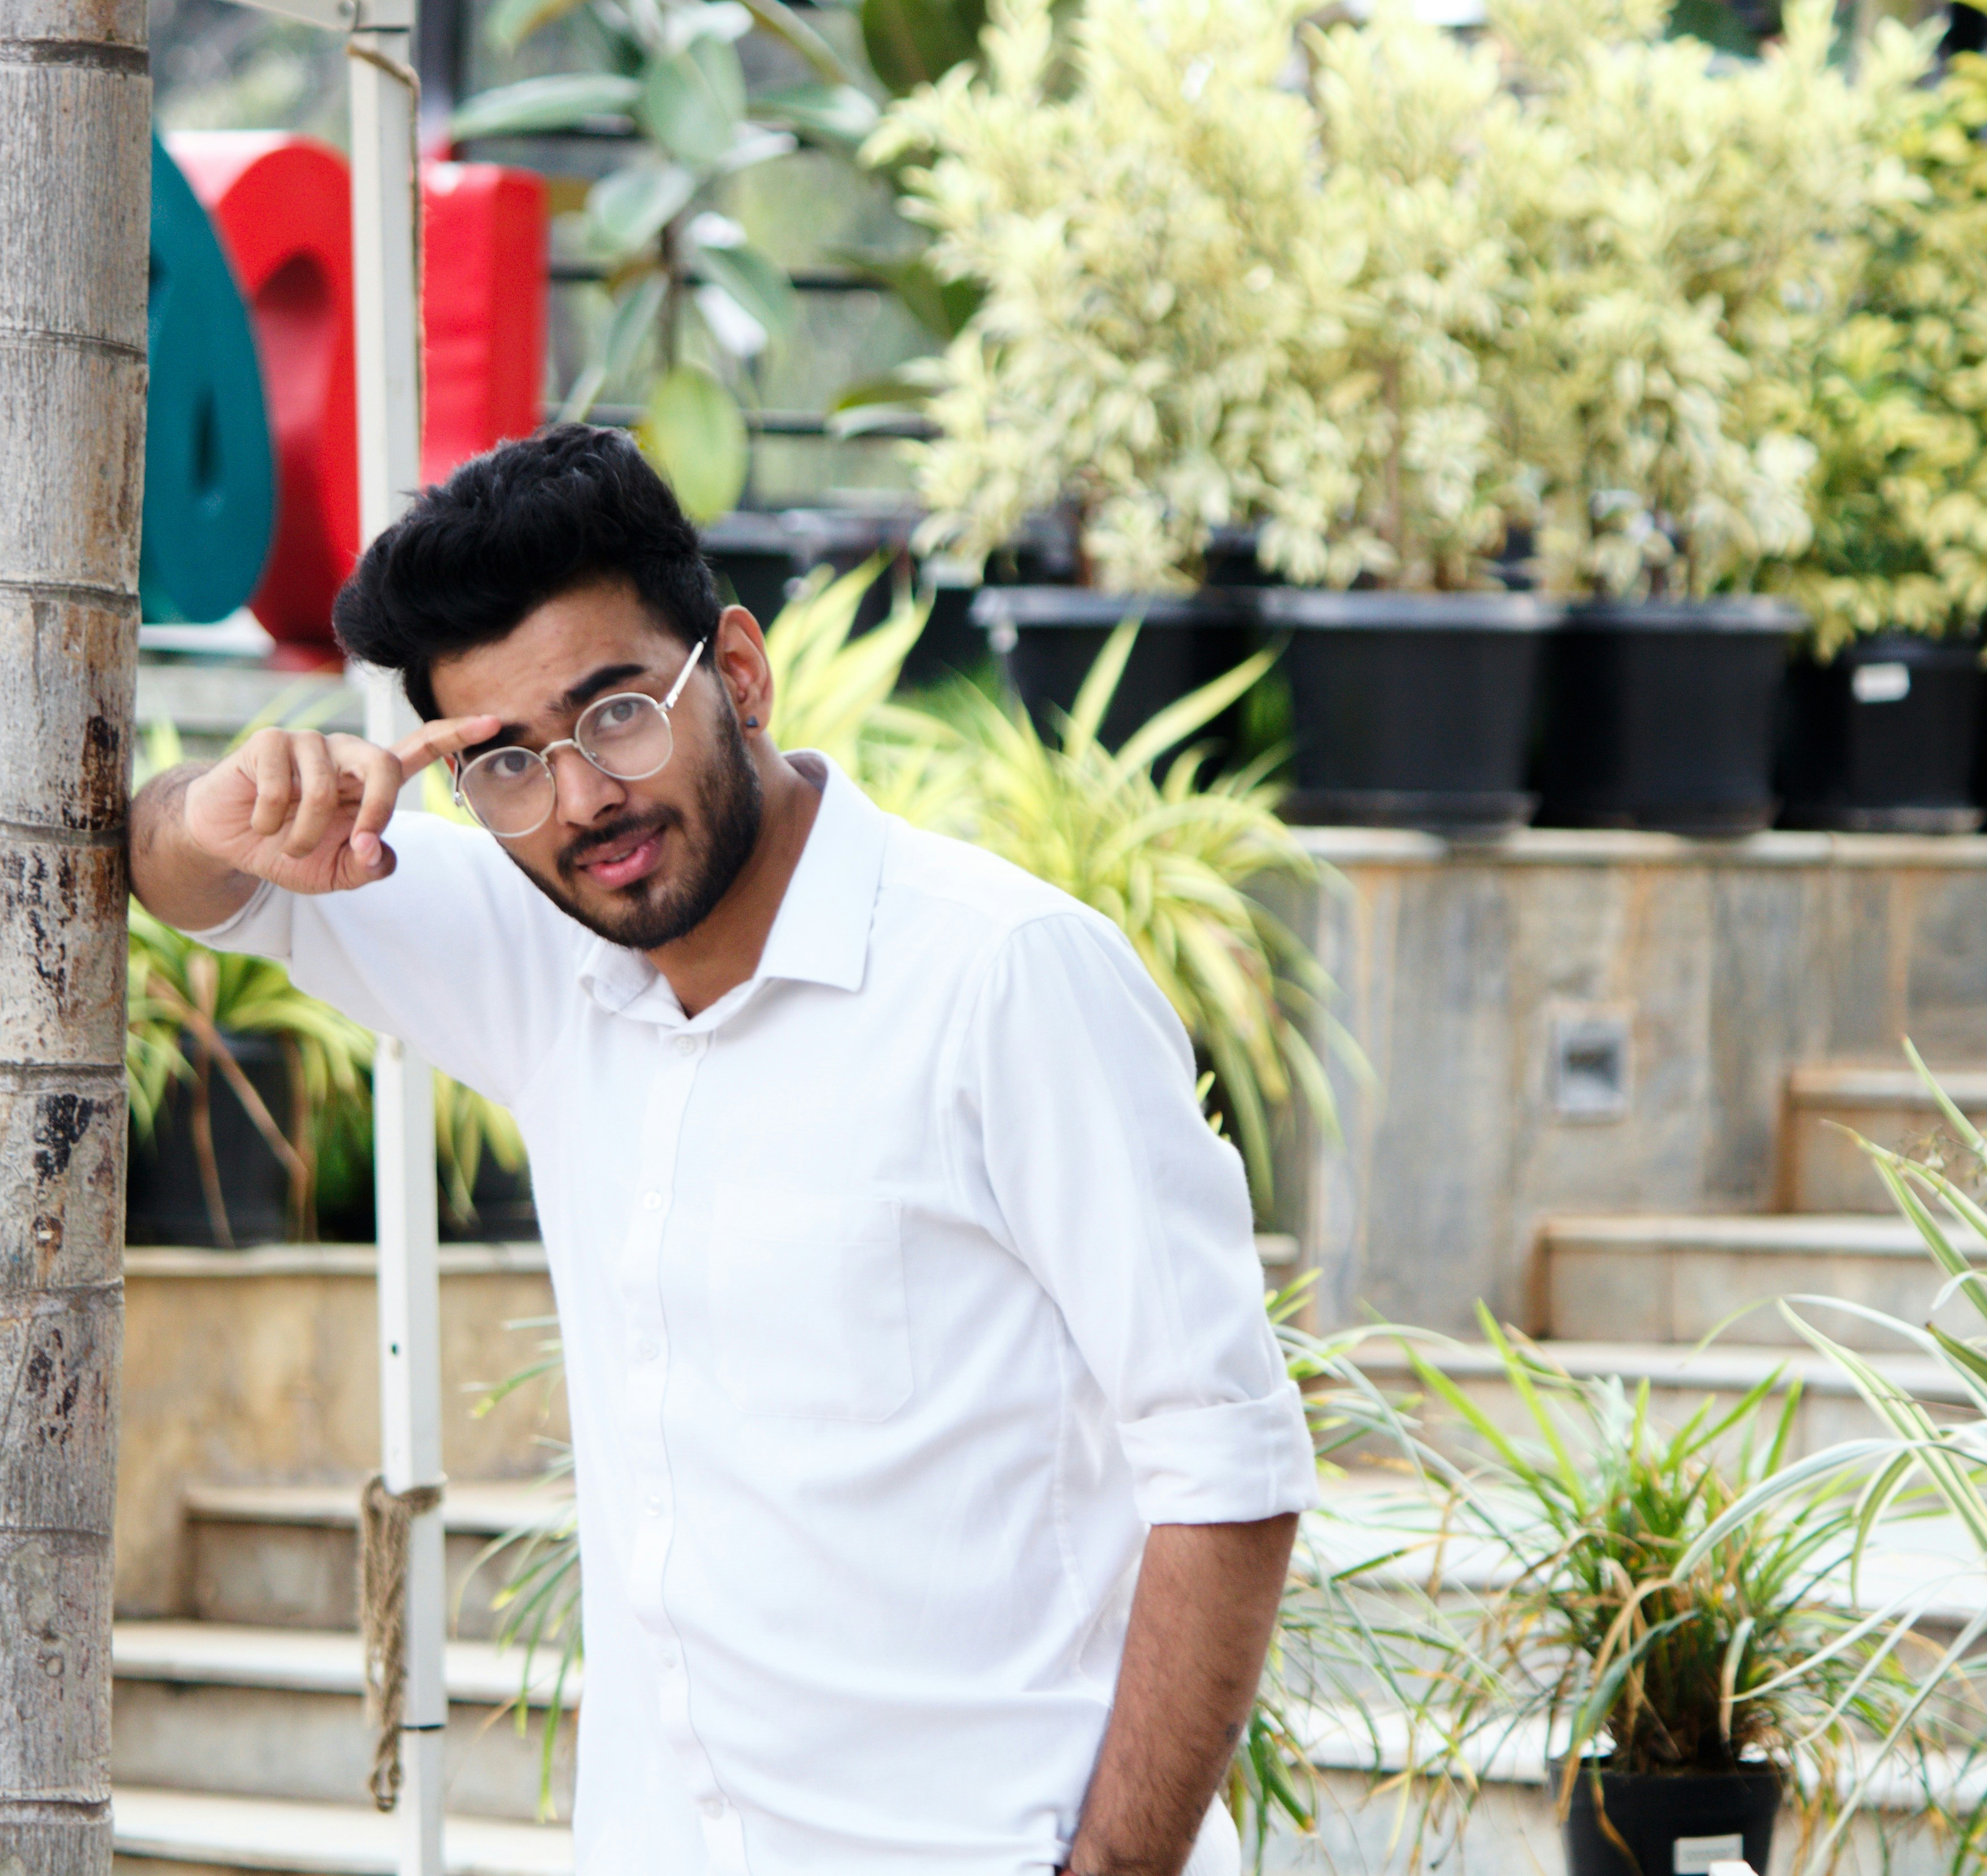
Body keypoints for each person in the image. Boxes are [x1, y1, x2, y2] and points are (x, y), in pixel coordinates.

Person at [130, 424, 1314, 1876]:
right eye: (504, 761)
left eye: (615, 714)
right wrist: (237, 808)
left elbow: (1228, 1458)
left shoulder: (1004, 976)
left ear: (737, 674)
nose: (580, 799)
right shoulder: (546, 958)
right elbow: (180, 879)